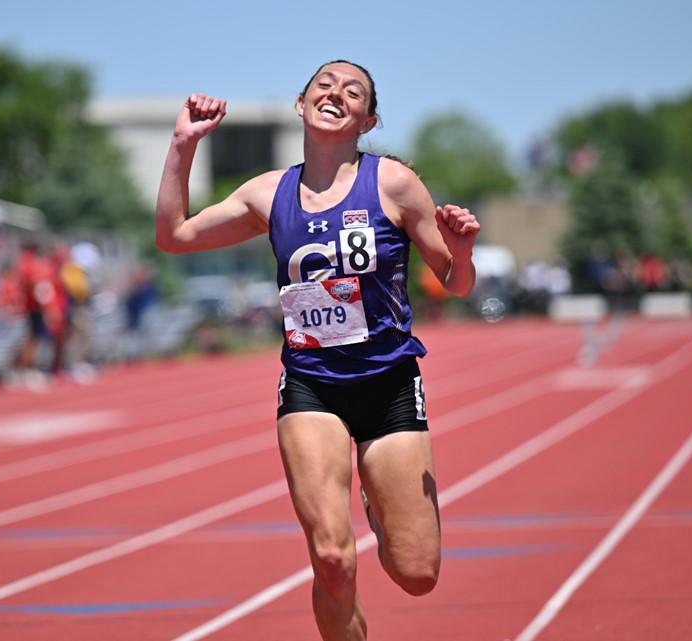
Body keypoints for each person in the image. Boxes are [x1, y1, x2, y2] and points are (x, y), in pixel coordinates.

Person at [155, 60, 479, 640]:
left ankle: (380, 503)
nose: (336, 94)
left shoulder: (394, 184)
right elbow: (173, 236)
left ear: (367, 119)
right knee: (332, 560)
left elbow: (455, 283)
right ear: (301, 105)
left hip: (387, 383)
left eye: (352, 92)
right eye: (324, 86)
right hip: (312, 384)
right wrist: (183, 145)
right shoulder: (267, 193)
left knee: (417, 573)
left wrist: (461, 249)